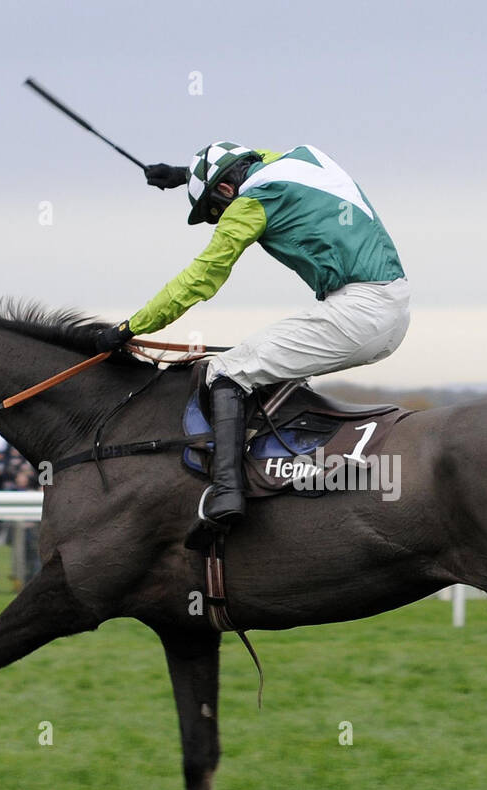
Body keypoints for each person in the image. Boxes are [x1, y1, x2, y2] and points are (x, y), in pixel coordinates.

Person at [98, 142, 409, 546]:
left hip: (360, 312)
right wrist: (182, 175)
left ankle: (228, 493)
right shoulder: (302, 156)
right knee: (259, 360)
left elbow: (201, 278)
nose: (224, 216)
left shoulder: (250, 204)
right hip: (391, 304)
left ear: (227, 192)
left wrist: (129, 328)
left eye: (218, 208)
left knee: (226, 370)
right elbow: (251, 154)